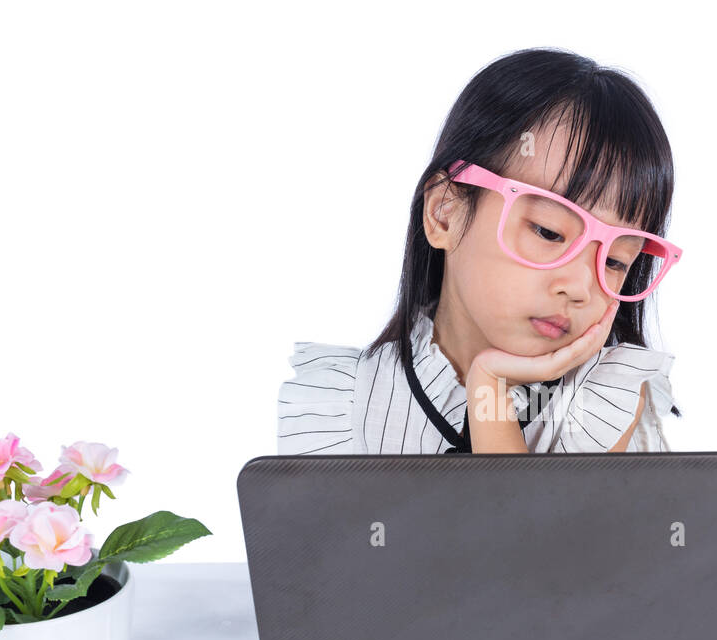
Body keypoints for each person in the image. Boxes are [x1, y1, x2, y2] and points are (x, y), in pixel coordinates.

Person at [277, 47, 684, 455]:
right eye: (548, 231)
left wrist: (489, 382)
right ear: (445, 214)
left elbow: (523, 520)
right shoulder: (342, 402)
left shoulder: (602, 402)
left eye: (615, 260)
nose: (580, 287)